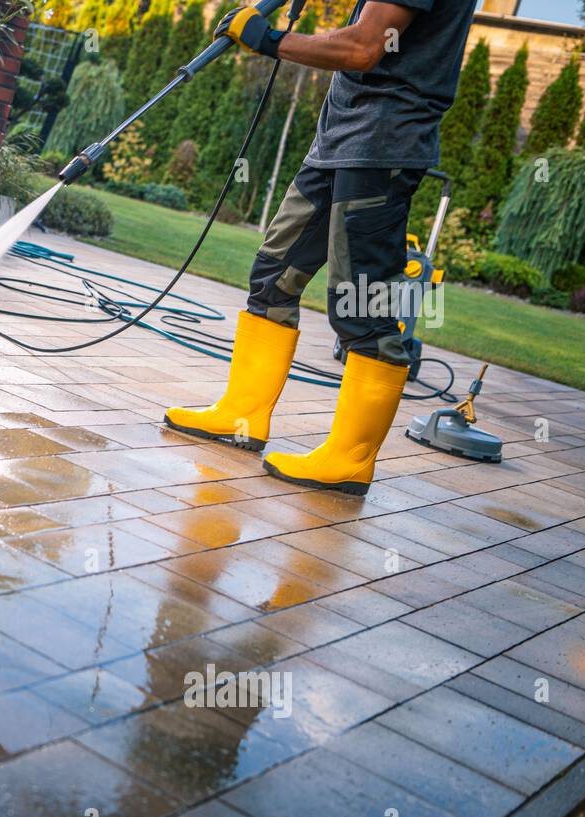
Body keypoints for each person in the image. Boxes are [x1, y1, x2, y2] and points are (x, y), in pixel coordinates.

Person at [163, 1, 475, 495]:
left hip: (381, 145)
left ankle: (350, 460)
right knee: (273, 275)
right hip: (339, 142)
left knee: (362, 307)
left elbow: (363, 46)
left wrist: (268, 40)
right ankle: (242, 415)